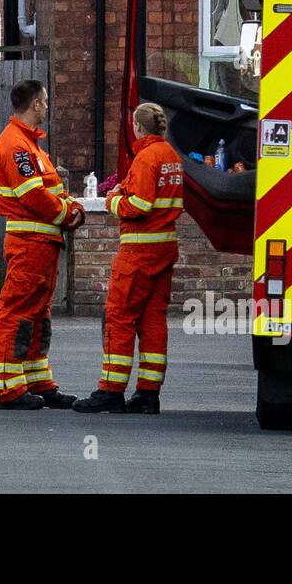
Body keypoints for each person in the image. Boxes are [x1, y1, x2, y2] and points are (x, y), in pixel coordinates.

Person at [74, 103, 183, 414]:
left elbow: (139, 205)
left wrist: (113, 200)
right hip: (164, 249)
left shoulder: (147, 157)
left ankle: (111, 389)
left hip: (138, 251)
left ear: (138, 127)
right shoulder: (171, 157)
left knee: (119, 318)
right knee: (153, 321)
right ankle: (148, 394)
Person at [0, 79, 84, 409]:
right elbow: (32, 195)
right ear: (36, 105)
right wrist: (66, 214)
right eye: (45, 101)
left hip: (42, 242)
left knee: (38, 316)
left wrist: (69, 207)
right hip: (30, 241)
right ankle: (8, 388)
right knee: (18, 313)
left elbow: (48, 191)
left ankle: (37, 381)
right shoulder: (17, 145)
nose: (48, 106)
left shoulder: (30, 145)